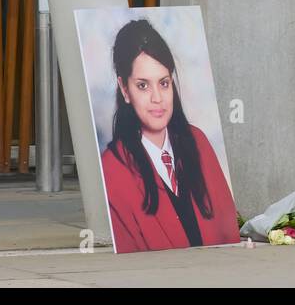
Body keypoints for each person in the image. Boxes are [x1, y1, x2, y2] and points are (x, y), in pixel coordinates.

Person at [100, 19, 239, 253]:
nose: (157, 98)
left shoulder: (198, 142)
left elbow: (227, 230)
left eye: (163, 83)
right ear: (125, 90)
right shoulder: (113, 168)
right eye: (143, 85)